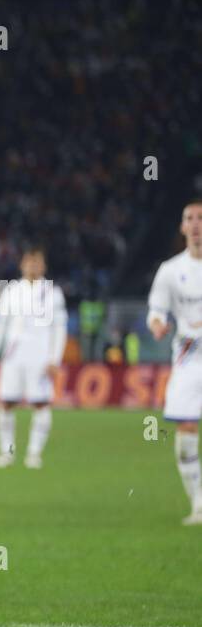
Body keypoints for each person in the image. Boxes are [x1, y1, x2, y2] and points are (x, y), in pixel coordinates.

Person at [0, 246, 67, 469]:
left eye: (37, 262)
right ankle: (6, 452)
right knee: (6, 403)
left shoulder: (52, 293)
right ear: (22, 265)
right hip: (12, 356)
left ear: (43, 265)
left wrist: (55, 359)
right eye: (29, 262)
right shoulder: (12, 290)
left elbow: (59, 328)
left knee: (40, 403)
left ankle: (34, 453)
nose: (33, 266)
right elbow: (1, 324)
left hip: (40, 356)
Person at [147, 200, 202, 525]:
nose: (196, 224)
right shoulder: (170, 270)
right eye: (190, 219)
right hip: (188, 360)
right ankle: (198, 503)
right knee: (185, 431)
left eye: (201, 218)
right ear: (182, 227)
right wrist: (156, 324)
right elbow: (156, 309)